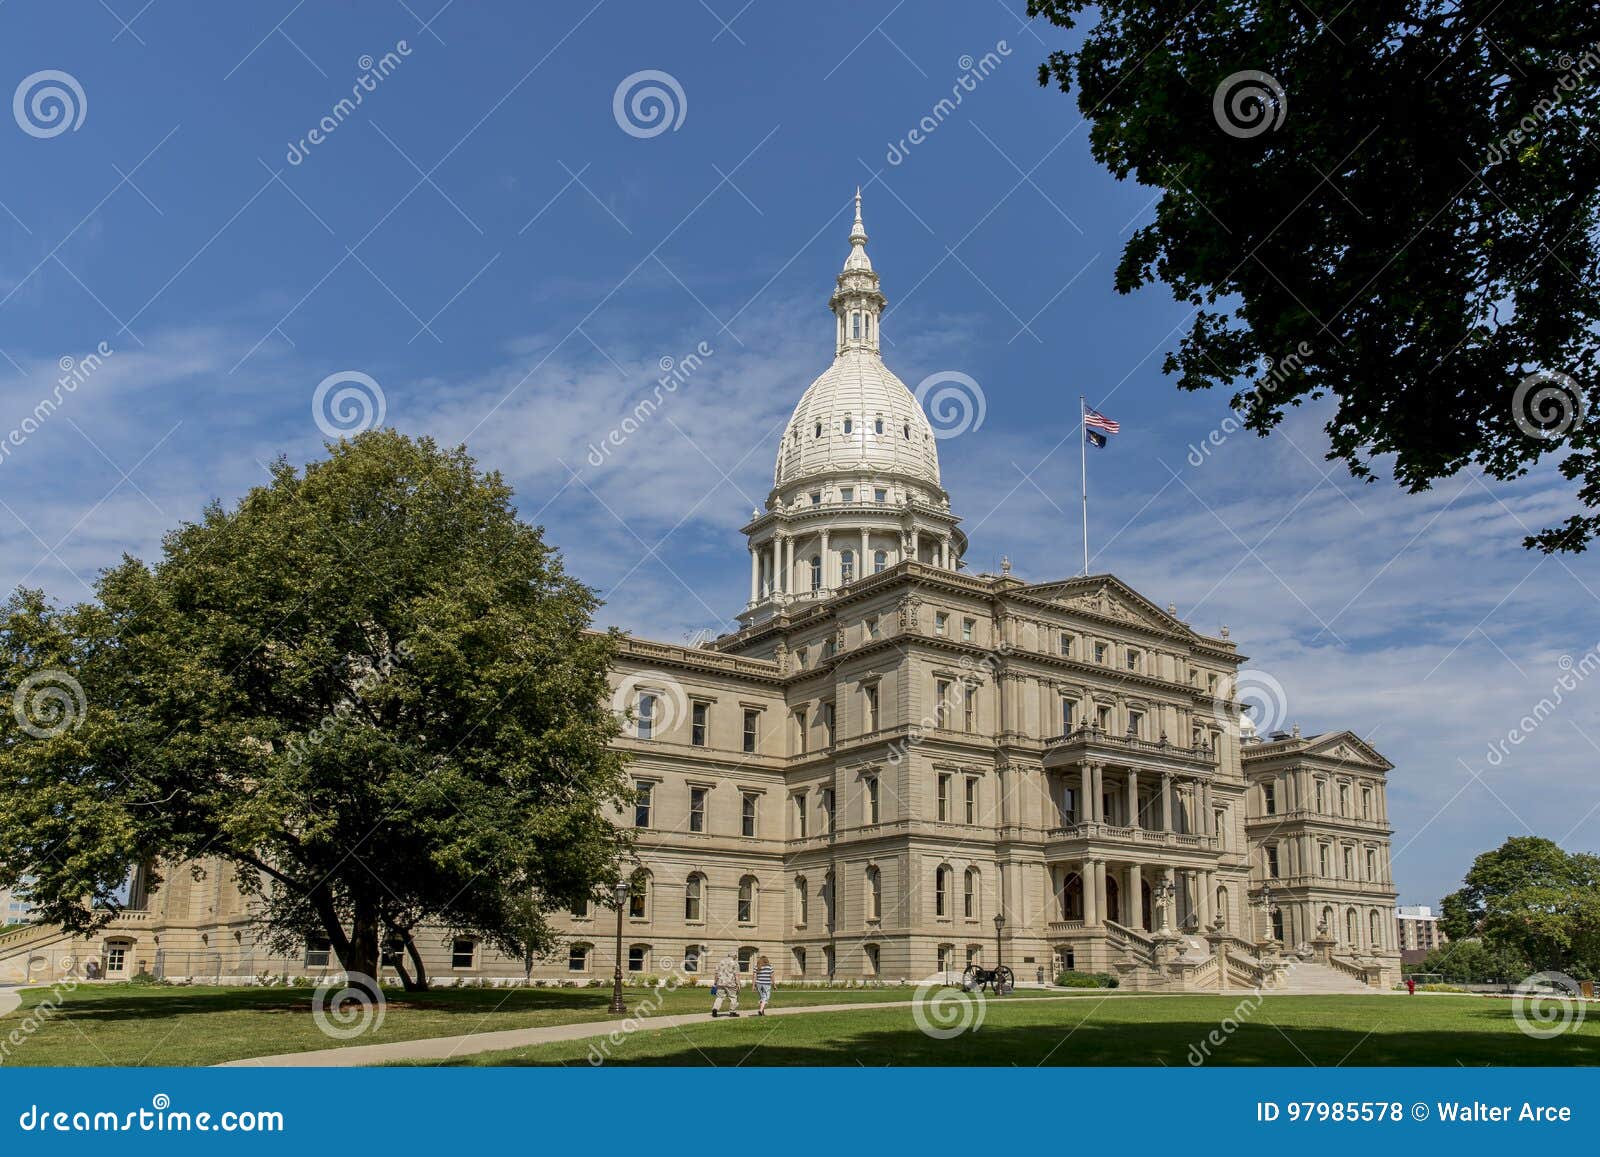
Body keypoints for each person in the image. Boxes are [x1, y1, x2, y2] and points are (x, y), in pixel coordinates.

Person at [711, 951, 741, 1018]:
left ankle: (715, 1008)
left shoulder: (721, 962)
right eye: (736, 956)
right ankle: (732, 1012)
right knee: (733, 997)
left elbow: (716, 973)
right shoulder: (735, 963)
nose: (736, 957)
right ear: (734, 956)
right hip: (731, 983)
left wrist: (715, 982)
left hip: (720, 982)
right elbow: (737, 975)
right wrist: (738, 984)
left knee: (719, 997)